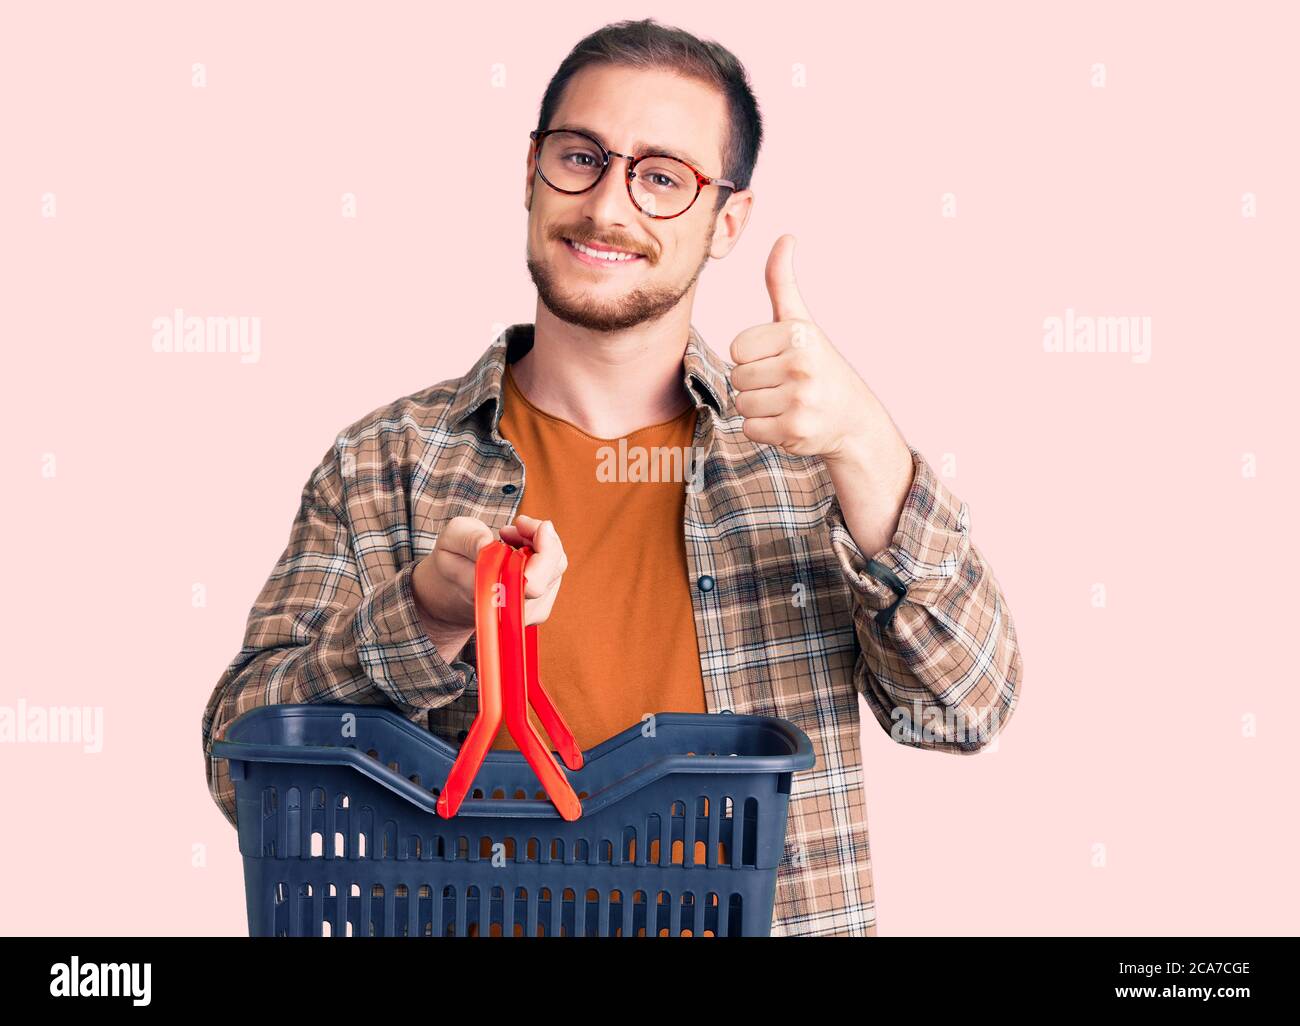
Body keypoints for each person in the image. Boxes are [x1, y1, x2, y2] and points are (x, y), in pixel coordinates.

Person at [201, 17, 1023, 937]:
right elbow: (241, 770)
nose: (609, 207)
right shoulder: (380, 465)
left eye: (663, 177)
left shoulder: (810, 465)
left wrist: (870, 449)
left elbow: (964, 712)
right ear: (530, 173)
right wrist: (424, 618)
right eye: (581, 156)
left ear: (728, 222)